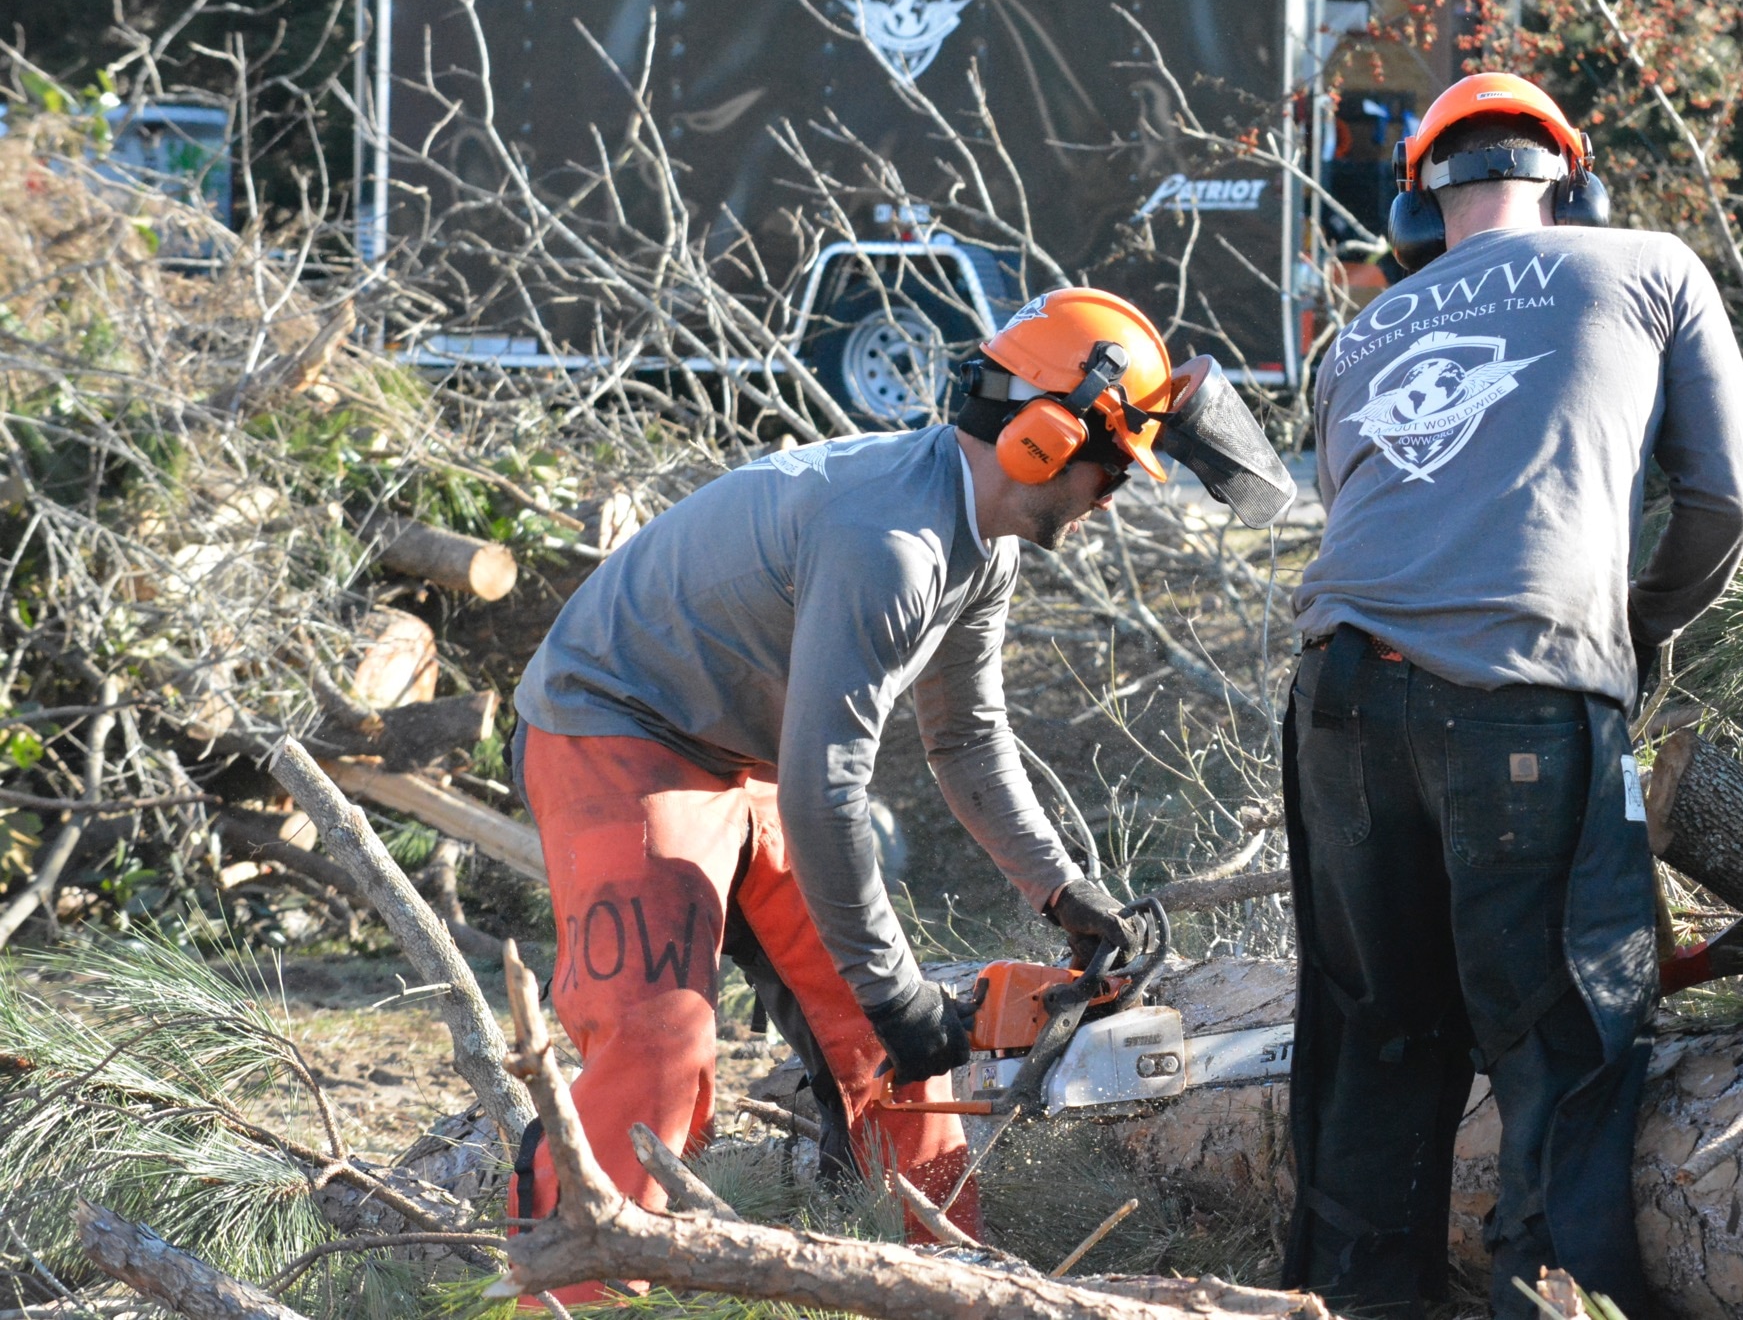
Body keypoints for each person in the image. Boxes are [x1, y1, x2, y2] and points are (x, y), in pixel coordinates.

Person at [508, 286, 1278, 1302]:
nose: (1109, 502)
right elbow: (829, 792)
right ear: (1045, 440)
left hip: (749, 755)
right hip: (617, 729)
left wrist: (1064, 892)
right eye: (1111, 477)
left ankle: (932, 1283)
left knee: (884, 1040)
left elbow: (966, 739)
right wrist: (896, 992)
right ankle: (572, 1293)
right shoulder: (891, 542)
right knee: (662, 1039)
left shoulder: (979, 547)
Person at [1283, 72, 1743, 1318]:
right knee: (1564, 1038)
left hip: (1334, 706)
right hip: (1523, 702)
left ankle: (1352, 1304)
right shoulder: (1647, 261)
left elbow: (1380, 528)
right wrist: (1639, 629)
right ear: (1571, 180)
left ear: (1415, 209)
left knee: (1373, 1037)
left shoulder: (1355, 342)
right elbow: (1726, 502)